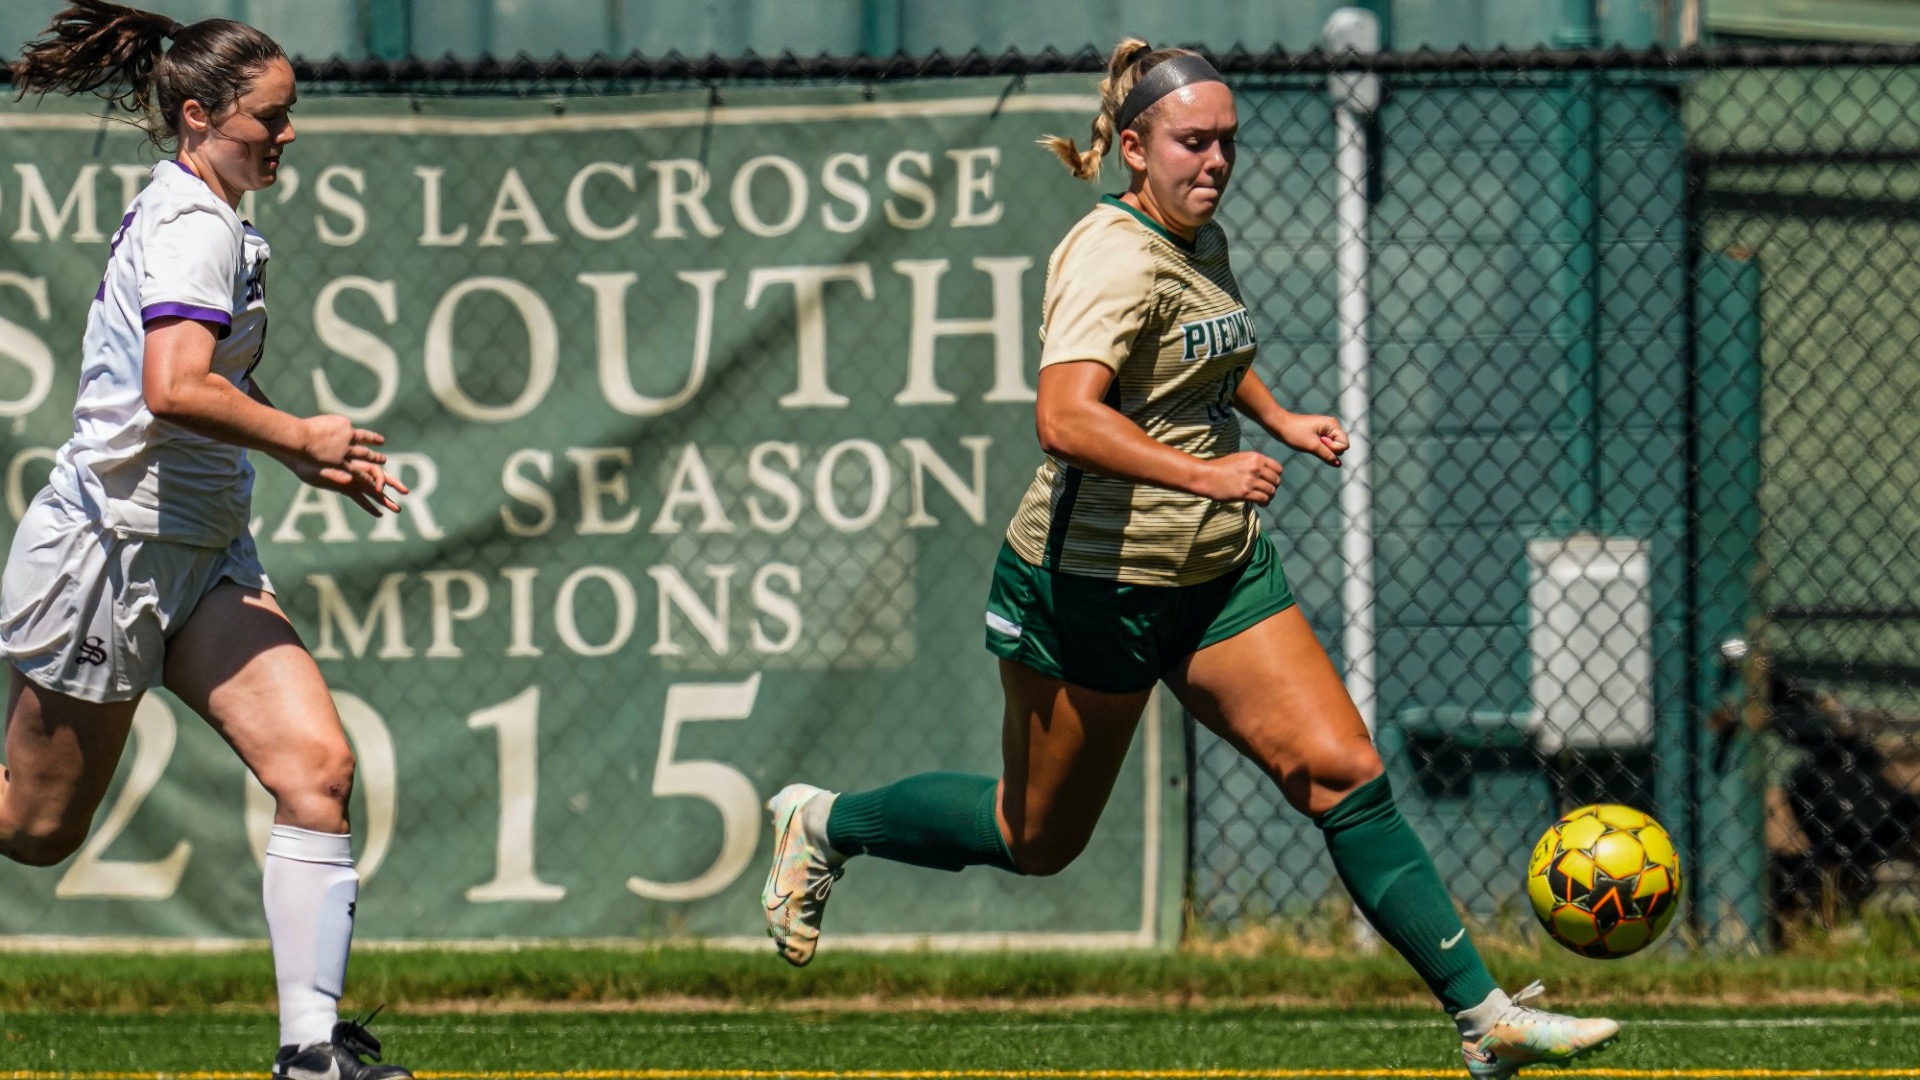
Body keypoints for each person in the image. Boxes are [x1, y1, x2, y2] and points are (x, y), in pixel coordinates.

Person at [761, 39, 1621, 1080]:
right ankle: (824, 823)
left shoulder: (1196, 235)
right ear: (1134, 147)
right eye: (1192, 142)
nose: (1215, 161)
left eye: (1227, 142)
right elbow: (1064, 418)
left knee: (1344, 772)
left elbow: (1210, 350)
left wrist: (1279, 416)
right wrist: (1206, 475)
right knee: (1035, 836)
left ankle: (1486, 1021)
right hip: (1091, 586)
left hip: (1214, 576)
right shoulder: (1112, 254)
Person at [5, 4, 412, 1077]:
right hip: (115, 553)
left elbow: (210, 380)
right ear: (198, 114)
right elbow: (174, 388)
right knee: (35, 830)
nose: (288, 135)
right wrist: (298, 434)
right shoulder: (197, 224)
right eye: (269, 119)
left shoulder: (212, 214)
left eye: (291, 115)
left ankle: (311, 1050)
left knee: (317, 768)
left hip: (202, 550)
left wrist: (295, 453)